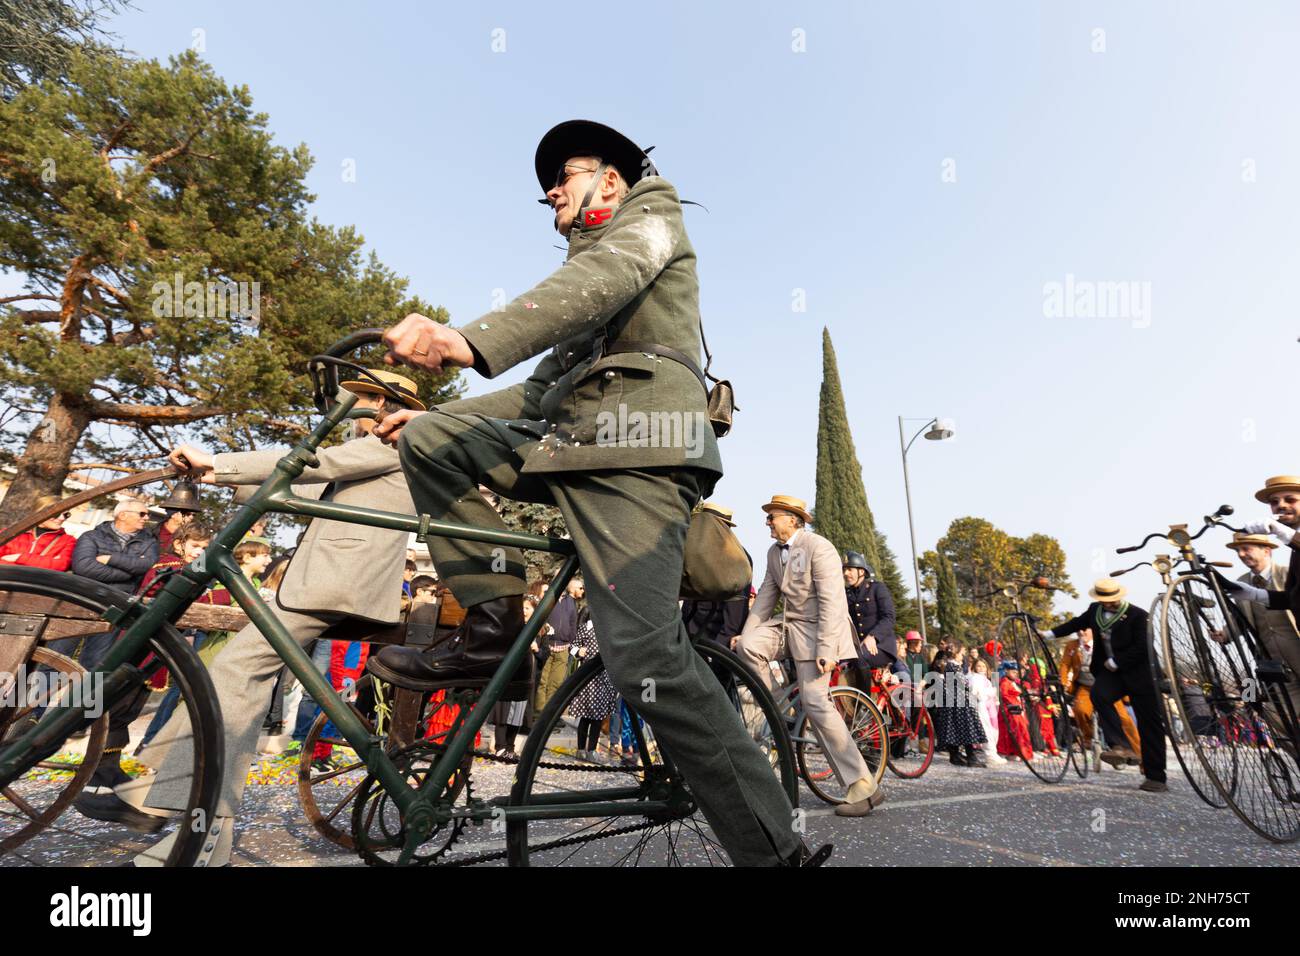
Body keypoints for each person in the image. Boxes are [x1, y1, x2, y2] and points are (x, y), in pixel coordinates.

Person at [366, 120, 819, 865]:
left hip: (635, 449)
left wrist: (464, 340)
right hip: (571, 447)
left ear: (610, 181)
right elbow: (534, 398)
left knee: (644, 656)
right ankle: (491, 625)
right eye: (546, 188)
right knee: (431, 441)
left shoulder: (651, 217)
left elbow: (599, 280)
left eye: (564, 176)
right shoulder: (585, 286)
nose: (550, 192)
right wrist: (440, 414)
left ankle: (775, 849)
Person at [104, 370, 425, 865]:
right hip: (319, 580)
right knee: (226, 676)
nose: (350, 411)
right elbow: (303, 488)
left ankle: (205, 829)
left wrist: (218, 462)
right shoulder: (366, 452)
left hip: (336, 582)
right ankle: (154, 789)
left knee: (234, 673)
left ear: (383, 404)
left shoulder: (393, 446)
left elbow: (313, 463)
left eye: (360, 400)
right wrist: (219, 476)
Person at [734, 494, 884, 816]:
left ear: (792, 518)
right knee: (748, 647)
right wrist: (746, 634)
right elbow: (765, 599)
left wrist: (827, 650)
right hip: (788, 629)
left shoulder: (820, 547)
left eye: (772, 516)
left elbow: (832, 601)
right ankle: (778, 710)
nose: (767, 522)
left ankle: (862, 785)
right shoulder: (774, 554)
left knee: (816, 703)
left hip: (819, 634)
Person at [1041, 577, 1166, 792]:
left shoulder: (1138, 616)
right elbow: (1076, 623)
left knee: (1149, 723)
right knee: (1099, 695)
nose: (1108, 603)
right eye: (1104, 600)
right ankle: (1119, 745)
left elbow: (1143, 647)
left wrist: (1118, 660)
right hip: (1112, 672)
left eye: (1111, 600)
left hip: (1140, 673)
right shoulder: (1095, 611)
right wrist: (1050, 634)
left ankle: (1155, 777)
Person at [63, 497, 159, 669]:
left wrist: (110, 558)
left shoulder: (149, 542)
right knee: (58, 655)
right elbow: (84, 568)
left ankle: (83, 696)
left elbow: (146, 566)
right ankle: (36, 695)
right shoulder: (91, 536)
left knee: (94, 664)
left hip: (116, 607)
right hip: (81, 601)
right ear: (122, 515)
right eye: (142, 513)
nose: (146, 518)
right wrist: (130, 572)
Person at [1225, 530, 1300, 715]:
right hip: (1272, 660)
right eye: (1238, 551)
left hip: (1296, 647)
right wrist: (1225, 634)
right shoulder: (1242, 582)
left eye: (1246, 548)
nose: (1241, 554)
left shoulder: (1287, 574)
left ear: (1267, 550)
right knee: (1277, 715)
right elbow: (1239, 618)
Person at [1059, 625, 1141, 764]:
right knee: (1080, 710)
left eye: (1084, 630)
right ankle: (1089, 738)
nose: (1081, 632)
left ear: (1092, 631)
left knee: (1124, 719)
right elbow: (1065, 665)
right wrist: (1062, 682)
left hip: (1107, 686)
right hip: (1085, 687)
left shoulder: (1103, 644)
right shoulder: (1072, 646)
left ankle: (1139, 755)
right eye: (1078, 630)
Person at [842, 551, 905, 683]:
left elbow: (889, 617)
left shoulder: (877, 588)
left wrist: (873, 636)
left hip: (881, 647)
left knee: (858, 658)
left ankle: (864, 702)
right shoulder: (846, 594)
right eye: (844, 570)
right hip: (859, 648)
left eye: (849, 569)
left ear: (861, 572)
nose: (845, 573)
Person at [535, 578, 583, 713]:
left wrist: (571, 640)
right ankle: (538, 713)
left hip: (563, 648)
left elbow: (573, 622)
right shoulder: (550, 597)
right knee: (543, 682)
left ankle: (548, 715)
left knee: (555, 683)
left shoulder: (571, 601)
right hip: (548, 645)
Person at [0, 494, 77, 570]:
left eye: (66, 514)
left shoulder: (68, 541)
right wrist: (42, 563)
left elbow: (60, 565)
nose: (62, 518)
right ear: (39, 513)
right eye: (57, 514)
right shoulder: (10, 533)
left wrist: (18, 557)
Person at [967, 659, 1004, 763]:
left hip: (989, 707)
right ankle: (990, 754)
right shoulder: (974, 678)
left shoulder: (986, 679)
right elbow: (976, 693)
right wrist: (990, 692)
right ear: (974, 667)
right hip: (981, 706)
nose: (981, 668)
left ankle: (993, 752)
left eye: (983, 666)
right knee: (986, 729)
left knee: (993, 730)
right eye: (978, 666)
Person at [997, 660, 1034, 762]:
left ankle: (1019, 752)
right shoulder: (1004, 682)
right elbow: (1004, 695)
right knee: (1016, 731)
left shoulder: (1012, 682)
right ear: (1007, 671)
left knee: (1020, 731)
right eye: (1013, 672)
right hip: (1010, 710)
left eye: (1016, 672)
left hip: (1016, 709)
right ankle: (1019, 752)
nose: (1015, 674)